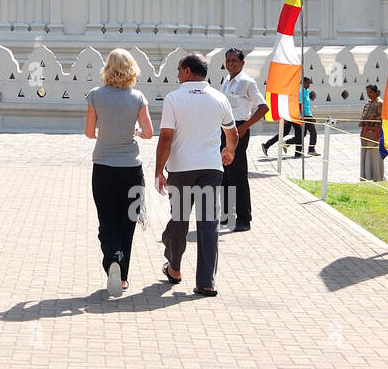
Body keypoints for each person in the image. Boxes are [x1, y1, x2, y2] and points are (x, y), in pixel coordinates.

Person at [155, 53, 238, 297]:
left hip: (181, 168)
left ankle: (175, 267)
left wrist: (159, 170)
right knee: (208, 223)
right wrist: (229, 151)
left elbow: (166, 137)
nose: (178, 75)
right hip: (211, 168)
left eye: (180, 70)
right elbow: (231, 132)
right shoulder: (218, 97)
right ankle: (206, 282)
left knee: (179, 220)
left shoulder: (174, 98)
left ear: (189, 72)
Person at [84, 48, 155, 297]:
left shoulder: (95, 96)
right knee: (128, 222)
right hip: (131, 169)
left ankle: (111, 259)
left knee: (107, 220)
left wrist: (105, 132)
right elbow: (148, 133)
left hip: (103, 166)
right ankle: (122, 276)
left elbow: (89, 132)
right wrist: (133, 131)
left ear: (107, 68)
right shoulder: (137, 97)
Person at [219, 47, 268, 231]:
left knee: (238, 175)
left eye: (234, 61)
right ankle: (225, 214)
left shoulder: (247, 82)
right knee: (224, 173)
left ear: (242, 63)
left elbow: (263, 107)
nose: (231, 64)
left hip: (239, 129)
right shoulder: (226, 81)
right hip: (224, 128)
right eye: (228, 60)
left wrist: (244, 127)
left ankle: (244, 218)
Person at [359, 84, 385, 182]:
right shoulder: (368, 103)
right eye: (367, 92)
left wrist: (371, 118)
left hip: (375, 133)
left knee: (374, 154)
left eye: (370, 92)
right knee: (365, 154)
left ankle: (376, 176)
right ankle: (366, 176)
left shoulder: (380, 103)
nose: (368, 94)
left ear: (375, 92)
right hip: (366, 132)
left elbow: (383, 117)